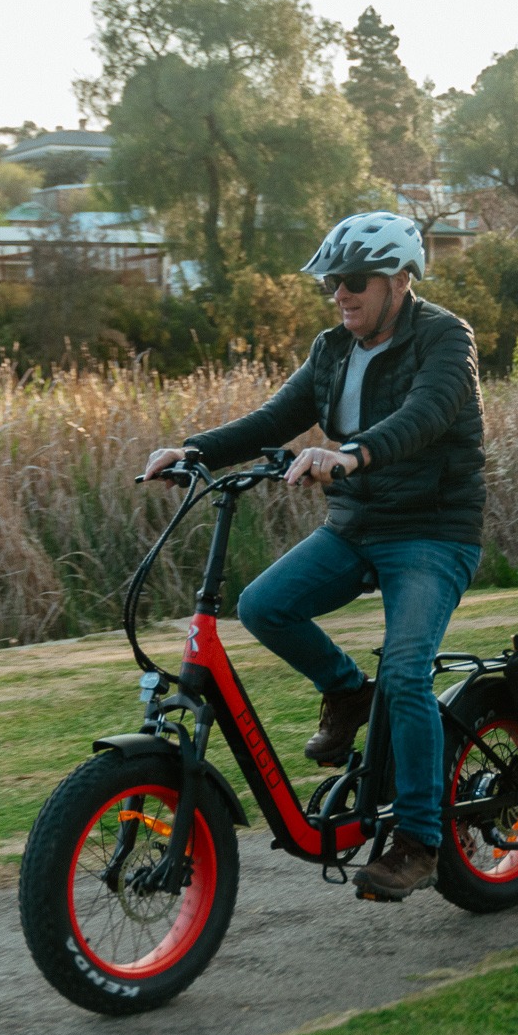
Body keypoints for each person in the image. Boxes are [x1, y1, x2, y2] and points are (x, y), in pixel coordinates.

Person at [141, 212, 485, 902]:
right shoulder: (332, 349)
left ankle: (418, 837)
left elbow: (427, 413)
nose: (339, 294)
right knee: (265, 604)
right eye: (332, 282)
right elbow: (275, 418)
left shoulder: (444, 336)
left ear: (397, 280)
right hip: (356, 525)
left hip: (432, 530)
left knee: (409, 669)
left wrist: (352, 453)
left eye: (353, 281)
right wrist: (193, 450)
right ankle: (348, 690)